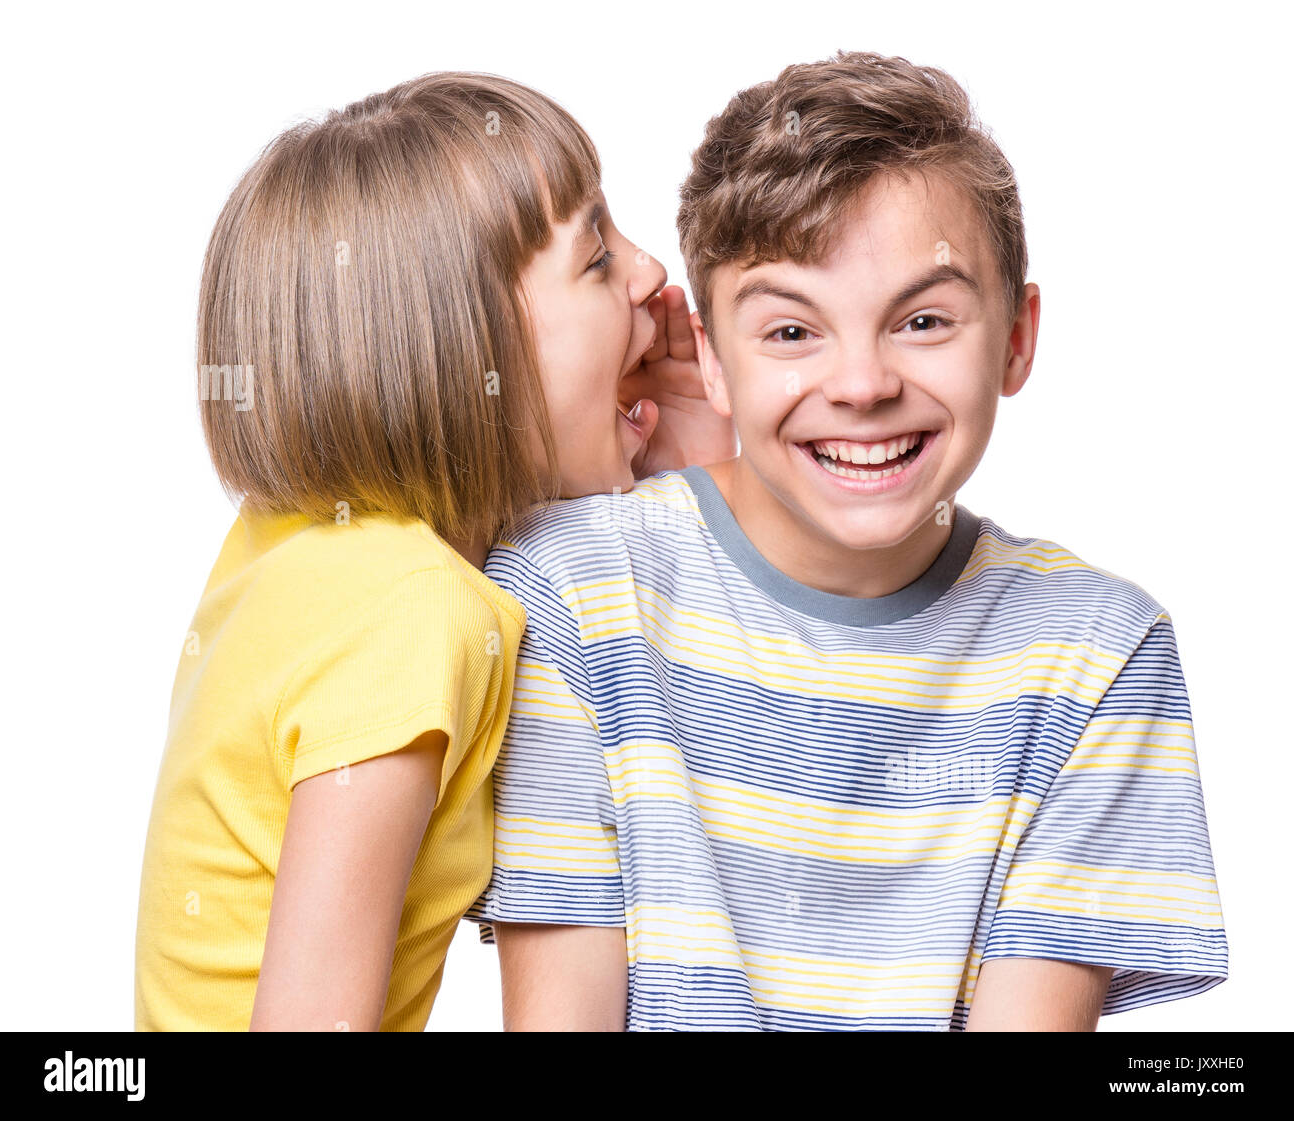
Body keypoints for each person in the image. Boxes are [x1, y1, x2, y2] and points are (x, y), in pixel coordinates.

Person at [465, 50, 1229, 1030]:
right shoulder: (575, 591)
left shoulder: (1096, 651)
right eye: (792, 332)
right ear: (712, 357)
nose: (863, 385)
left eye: (923, 320)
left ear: (1015, 337)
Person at [133, 69, 733, 1031]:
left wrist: (689, 478)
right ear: (469, 354)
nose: (648, 271)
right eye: (594, 259)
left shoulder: (303, 549)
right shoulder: (412, 613)